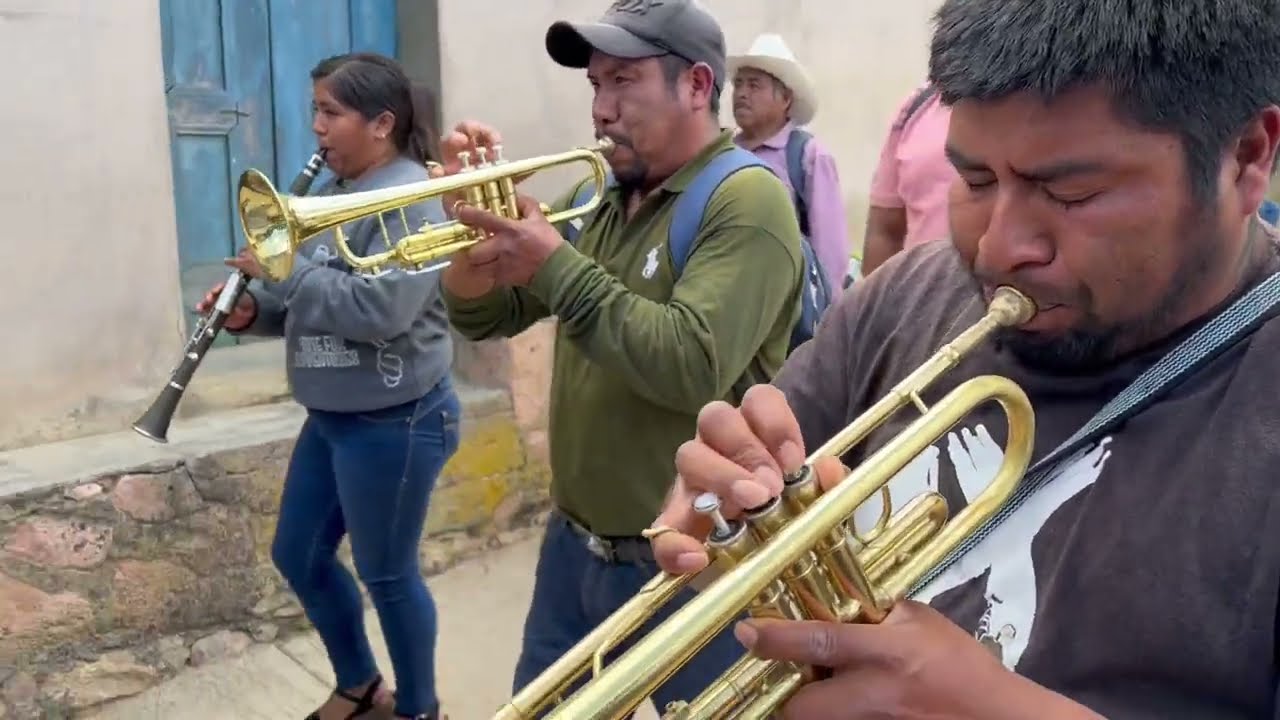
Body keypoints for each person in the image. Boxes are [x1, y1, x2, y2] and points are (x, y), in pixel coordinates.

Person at [646, 0, 1280, 718]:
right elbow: (737, 483)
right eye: (975, 180)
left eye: (1072, 192)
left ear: (1247, 157)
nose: (997, 248)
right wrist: (719, 510)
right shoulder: (909, 294)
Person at [434, 0, 804, 713]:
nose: (601, 109)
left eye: (624, 82)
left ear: (696, 86)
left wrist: (553, 266)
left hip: (688, 568)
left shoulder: (746, 200)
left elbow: (688, 365)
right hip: (572, 550)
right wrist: (469, 231)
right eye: (595, 86)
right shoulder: (598, 195)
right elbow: (486, 315)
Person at [197, 52, 458, 720]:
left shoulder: (413, 199)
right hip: (336, 414)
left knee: (388, 574)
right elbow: (316, 301)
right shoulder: (334, 196)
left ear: (382, 124)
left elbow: (381, 313)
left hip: (396, 419)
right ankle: (361, 684)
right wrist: (258, 314)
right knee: (299, 554)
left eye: (329, 112)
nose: (315, 127)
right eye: (316, 109)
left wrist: (282, 272)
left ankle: (420, 710)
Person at [729, 33, 850, 292]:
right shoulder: (723, 154)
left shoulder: (808, 156)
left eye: (754, 85)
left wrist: (829, 320)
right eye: (738, 84)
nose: (741, 94)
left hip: (788, 310)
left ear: (785, 99)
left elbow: (830, 253)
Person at [859, 81, 957, 276]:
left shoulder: (1030, 101)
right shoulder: (918, 106)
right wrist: (876, 304)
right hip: (923, 295)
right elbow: (885, 230)